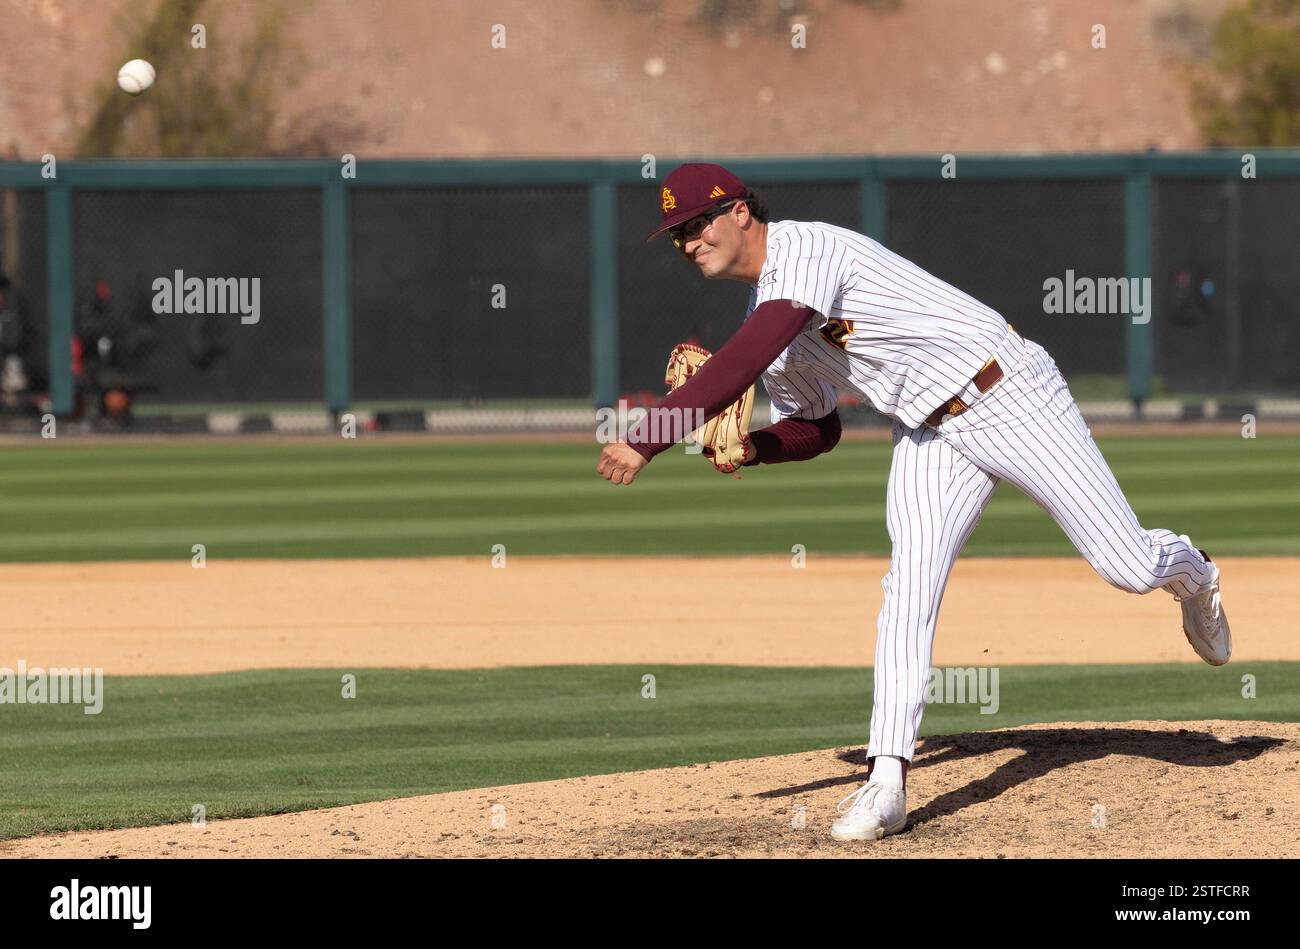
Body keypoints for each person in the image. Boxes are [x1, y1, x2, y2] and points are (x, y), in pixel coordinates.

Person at [594, 162, 1231, 842]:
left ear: (741, 212)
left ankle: (1195, 573)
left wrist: (650, 436)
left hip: (1007, 390)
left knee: (1128, 564)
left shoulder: (806, 252)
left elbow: (741, 359)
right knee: (907, 590)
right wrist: (755, 449)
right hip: (930, 432)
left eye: (696, 223)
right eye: (676, 236)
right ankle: (886, 779)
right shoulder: (773, 333)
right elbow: (819, 426)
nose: (688, 242)